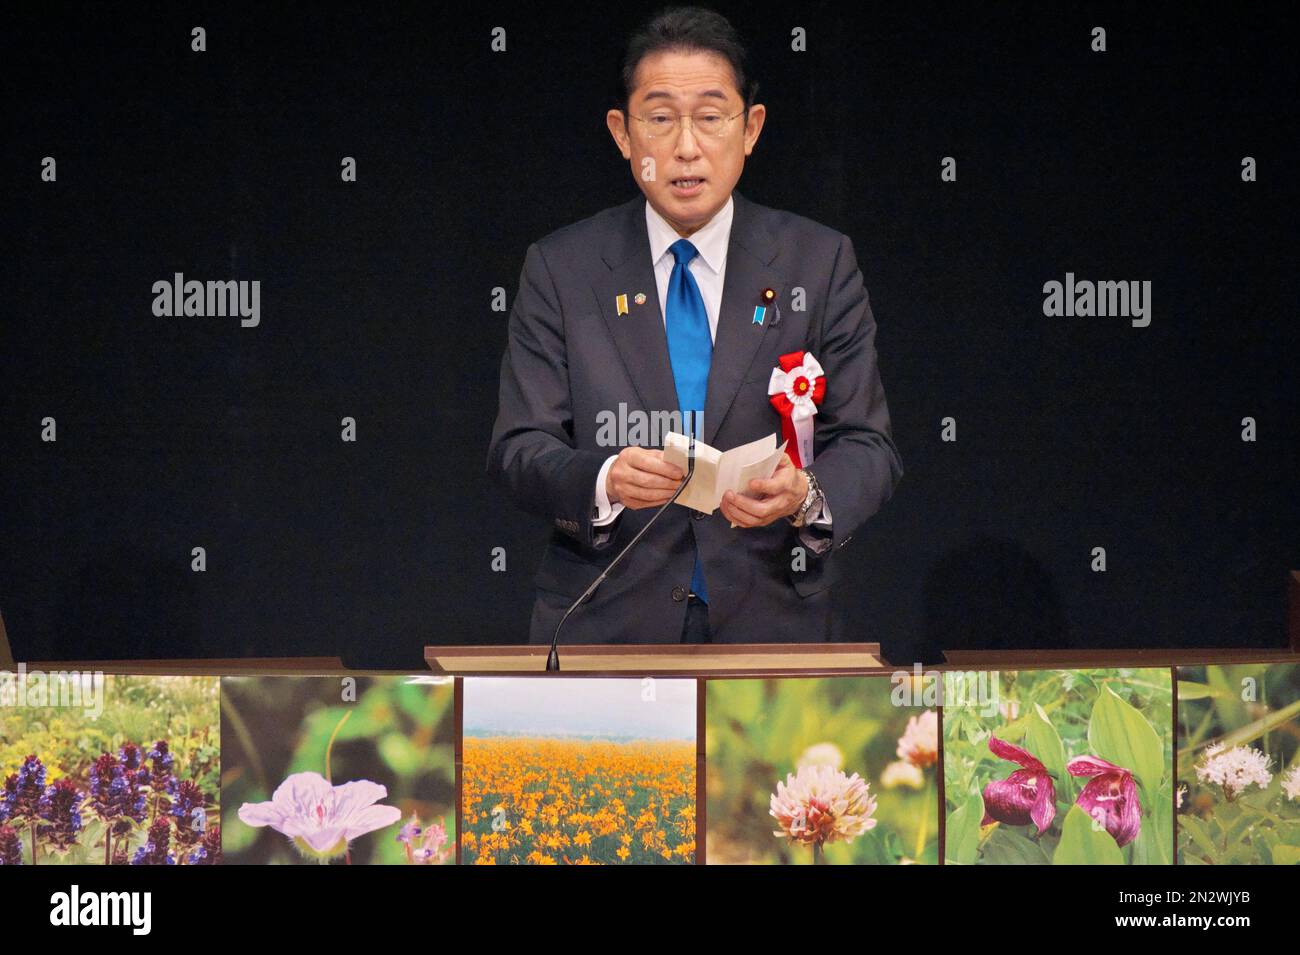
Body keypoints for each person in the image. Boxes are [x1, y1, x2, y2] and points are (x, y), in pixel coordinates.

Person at [487, 6, 903, 645]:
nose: (686, 146)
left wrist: (805, 493)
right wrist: (604, 480)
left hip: (772, 625)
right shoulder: (562, 268)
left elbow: (869, 446)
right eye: (659, 119)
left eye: (711, 117)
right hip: (606, 620)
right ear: (623, 135)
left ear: (751, 129)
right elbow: (520, 447)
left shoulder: (817, 262)